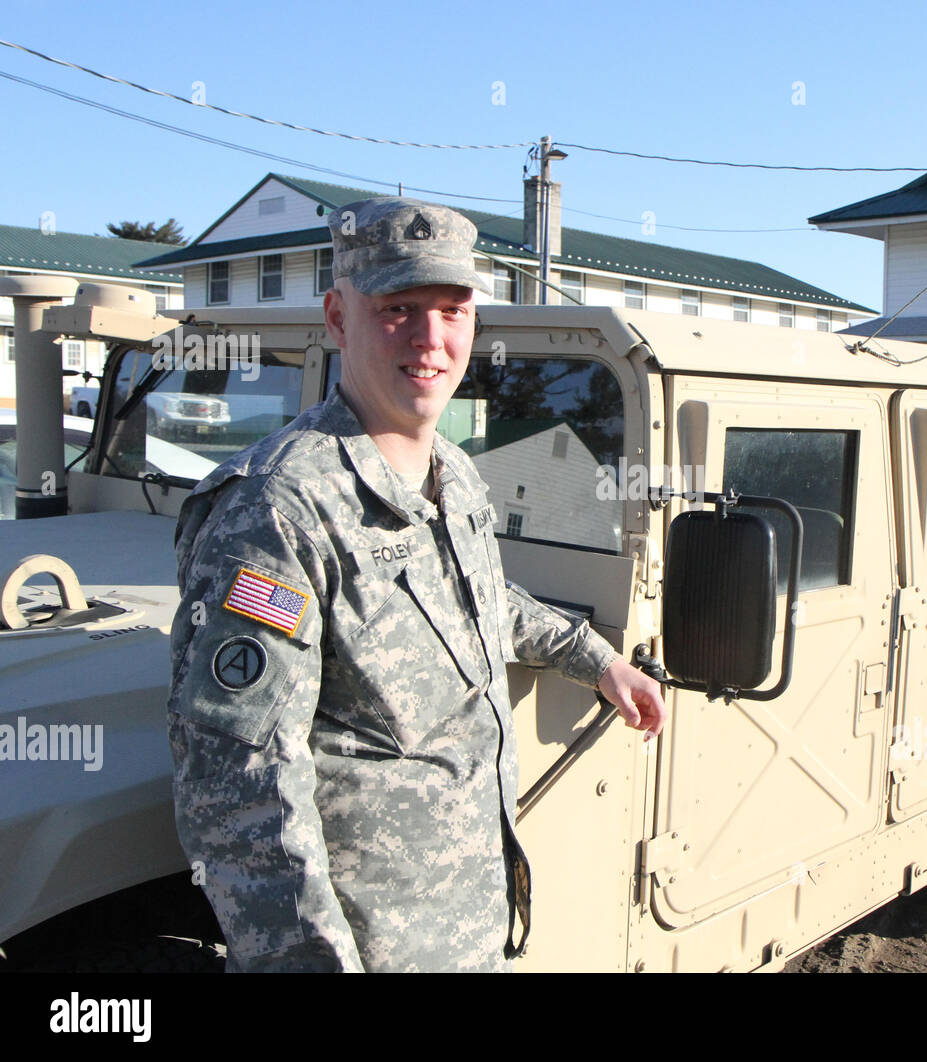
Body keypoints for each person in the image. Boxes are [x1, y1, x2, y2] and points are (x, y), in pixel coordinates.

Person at [167, 196, 666, 972]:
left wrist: (594, 659)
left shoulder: (454, 474)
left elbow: (476, 603)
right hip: (371, 948)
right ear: (338, 317)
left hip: (472, 926)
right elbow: (241, 786)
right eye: (398, 309)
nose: (430, 339)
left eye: (451, 310)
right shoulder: (278, 506)